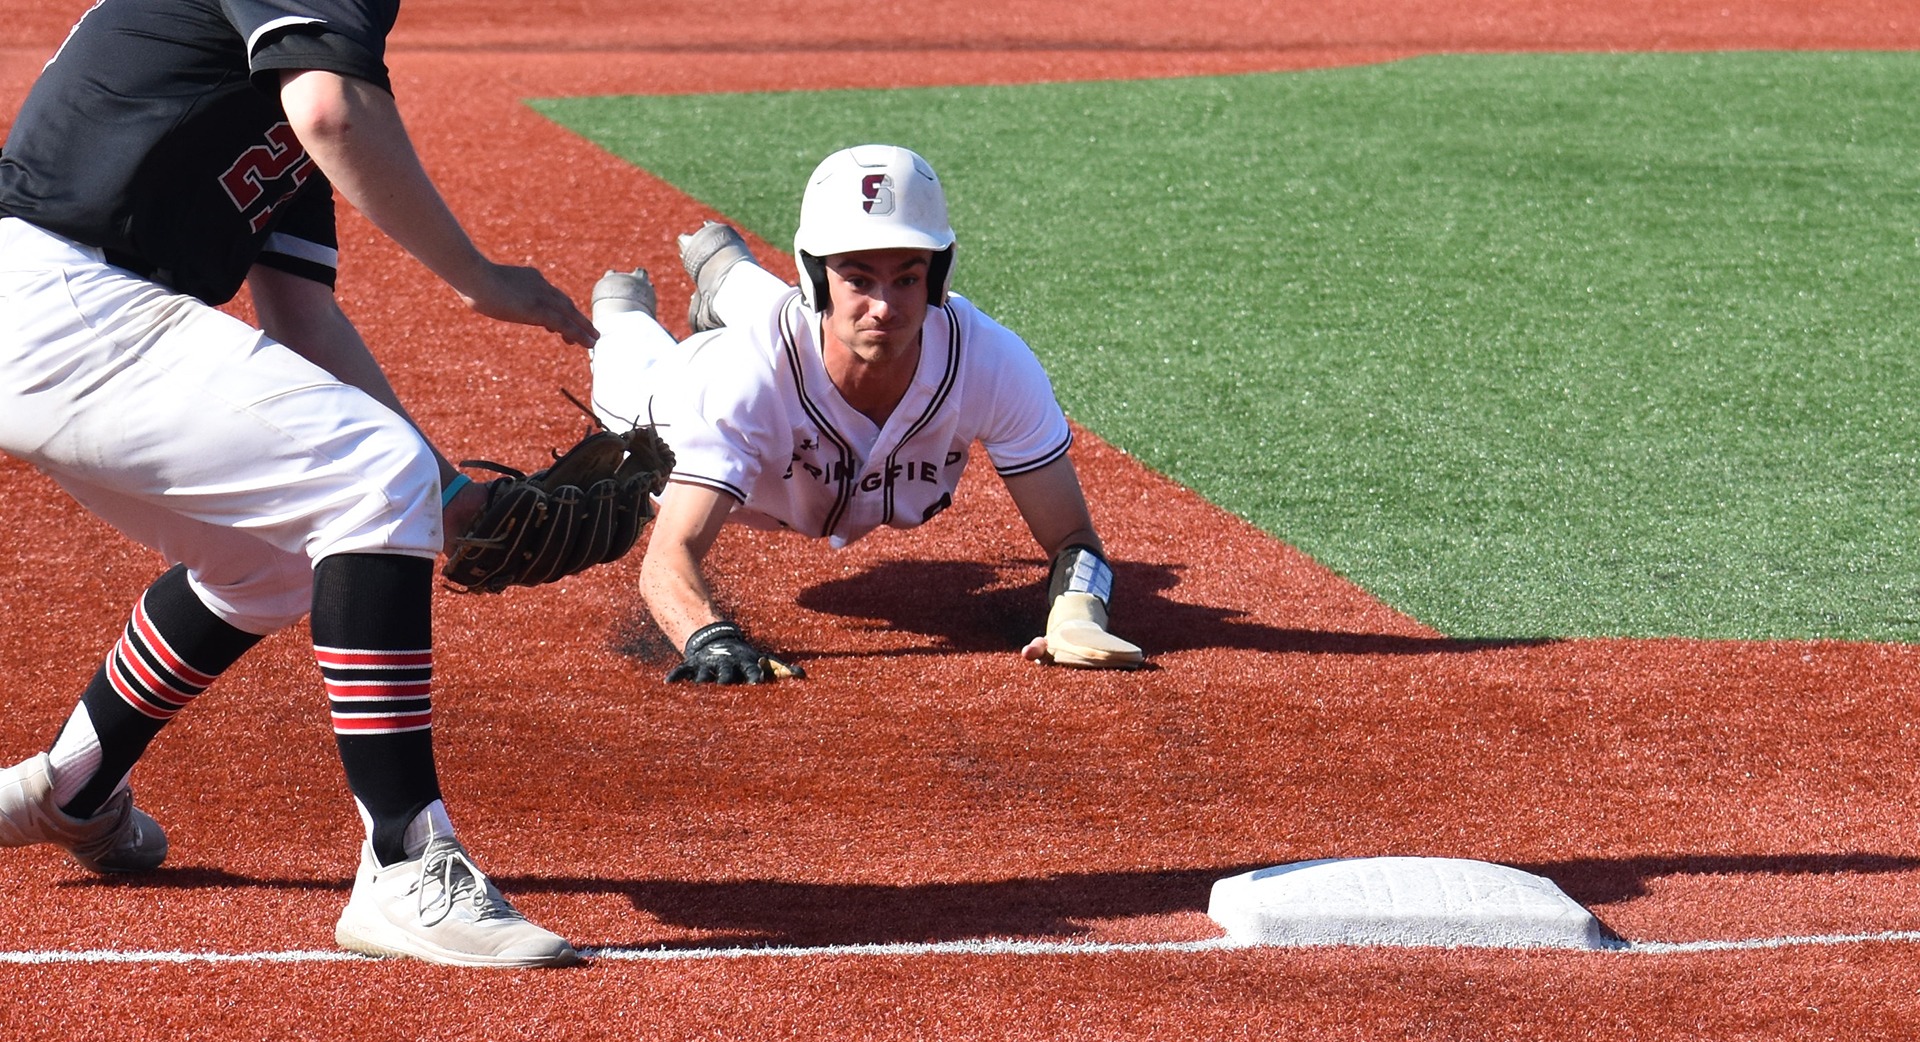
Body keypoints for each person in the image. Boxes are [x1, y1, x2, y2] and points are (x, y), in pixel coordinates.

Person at [0, 0, 596, 967]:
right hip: (60, 293)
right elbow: (332, 114)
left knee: (276, 561)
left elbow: (301, 316)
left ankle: (71, 786)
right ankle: (406, 864)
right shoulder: (314, 40)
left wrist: (451, 497)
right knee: (369, 473)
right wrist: (480, 279)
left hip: (59, 310)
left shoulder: (285, 46)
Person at [588, 144, 1143, 684]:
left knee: (845, 330)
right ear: (815, 274)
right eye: (856, 278)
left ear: (939, 273)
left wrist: (1077, 614)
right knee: (629, 394)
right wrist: (709, 637)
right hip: (683, 390)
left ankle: (729, 275)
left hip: (798, 352)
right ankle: (623, 313)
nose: (885, 304)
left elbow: (1074, 538)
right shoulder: (741, 379)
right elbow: (667, 560)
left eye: (907, 277)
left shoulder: (991, 362)